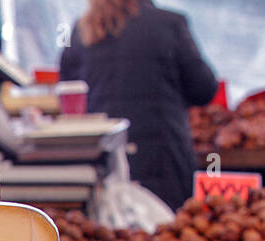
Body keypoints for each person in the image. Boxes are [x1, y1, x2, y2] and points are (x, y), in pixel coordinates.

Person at [59, 0, 219, 212]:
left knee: (113, 239)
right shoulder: (170, 23)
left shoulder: (81, 30)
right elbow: (204, 89)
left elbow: (68, 93)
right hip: (164, 162)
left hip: (107, 164)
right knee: (167, 236)